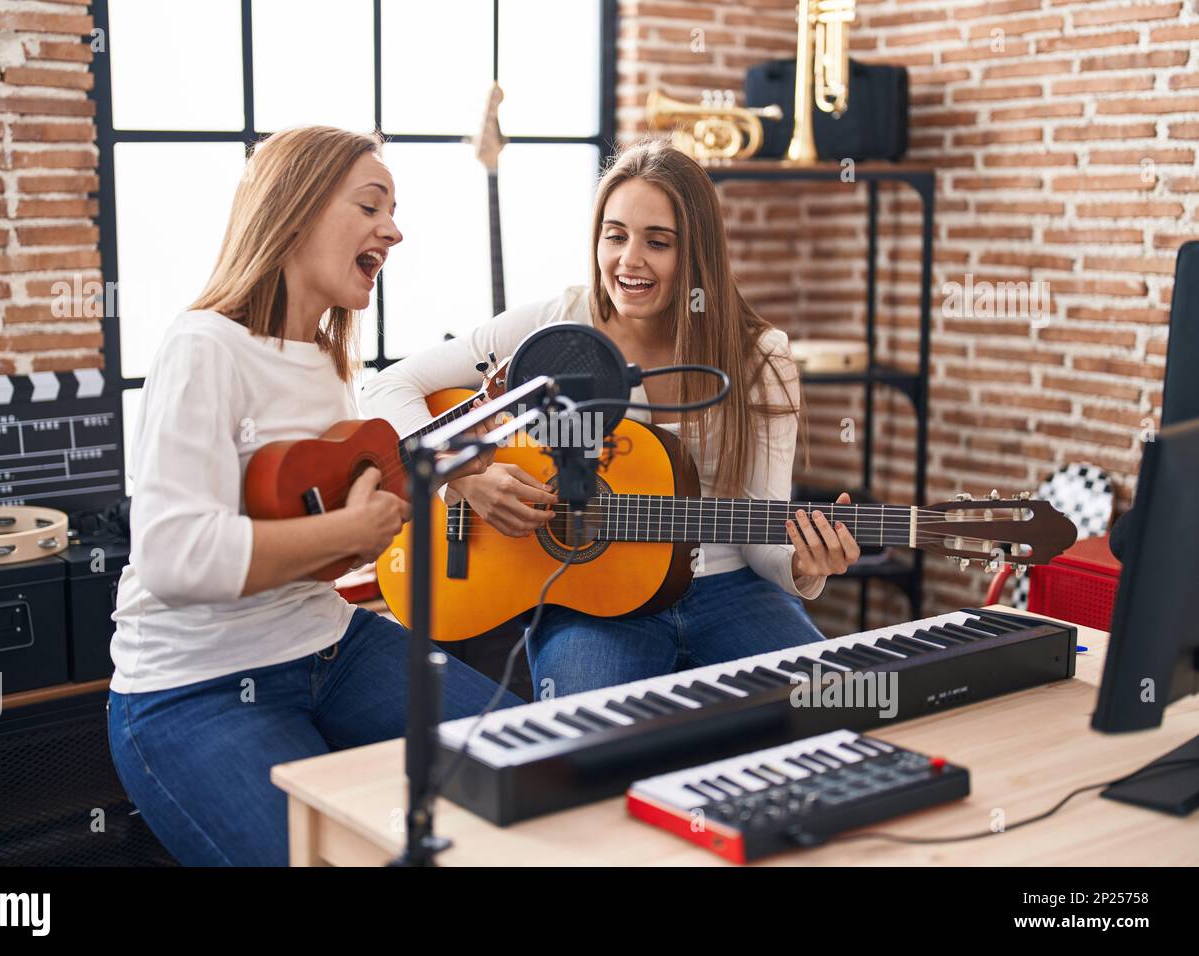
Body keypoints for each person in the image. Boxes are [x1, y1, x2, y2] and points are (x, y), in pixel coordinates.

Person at [107, 126, 520, 867]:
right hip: (192, 688)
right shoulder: (203, 346)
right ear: (294, 210)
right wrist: (348, 533)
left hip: (333, 646)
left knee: (530, 758)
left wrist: (388, 520)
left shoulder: (330, 363)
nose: (393, 230)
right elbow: (173, 557)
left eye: (391, 211)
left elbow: (331, 537)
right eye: (370, 206)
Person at [361, 139, 859, 698]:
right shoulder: (554, 323)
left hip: (731, 591)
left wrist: (807, 564)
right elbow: (383, 386)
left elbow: (762, 533)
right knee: (581, 747)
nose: (630, 261)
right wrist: (465, 478)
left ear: (698, 253)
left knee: (835, 705)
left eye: (658, 242)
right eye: (615, 235)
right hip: (590, 602)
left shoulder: (760, 357)